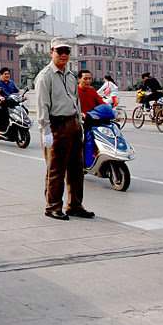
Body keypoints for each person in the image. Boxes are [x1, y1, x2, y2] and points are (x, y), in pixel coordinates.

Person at [35, 37, 94, 221]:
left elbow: (75, 102)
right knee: (56, 168)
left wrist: (79, 125)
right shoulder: (45, 76)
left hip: (74, 124)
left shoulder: (69, 76)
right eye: (60, 51)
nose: (64, 55)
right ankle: (53, 206)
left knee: (76, 168)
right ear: (51, 52)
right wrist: (45, 131)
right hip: (56, 124)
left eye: (67, 51)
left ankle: (75, 205)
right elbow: (42, 105)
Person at [0, 67, 19, 132]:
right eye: (5, 74)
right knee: (0, 111)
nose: (7, 75)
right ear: (1, 75)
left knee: (22, 110)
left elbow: (18, 91)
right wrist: (0, 97)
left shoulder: (11, 83)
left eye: (8, 74)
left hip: (10, 102)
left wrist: (23, 96)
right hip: (0, 102)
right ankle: (1, 128)